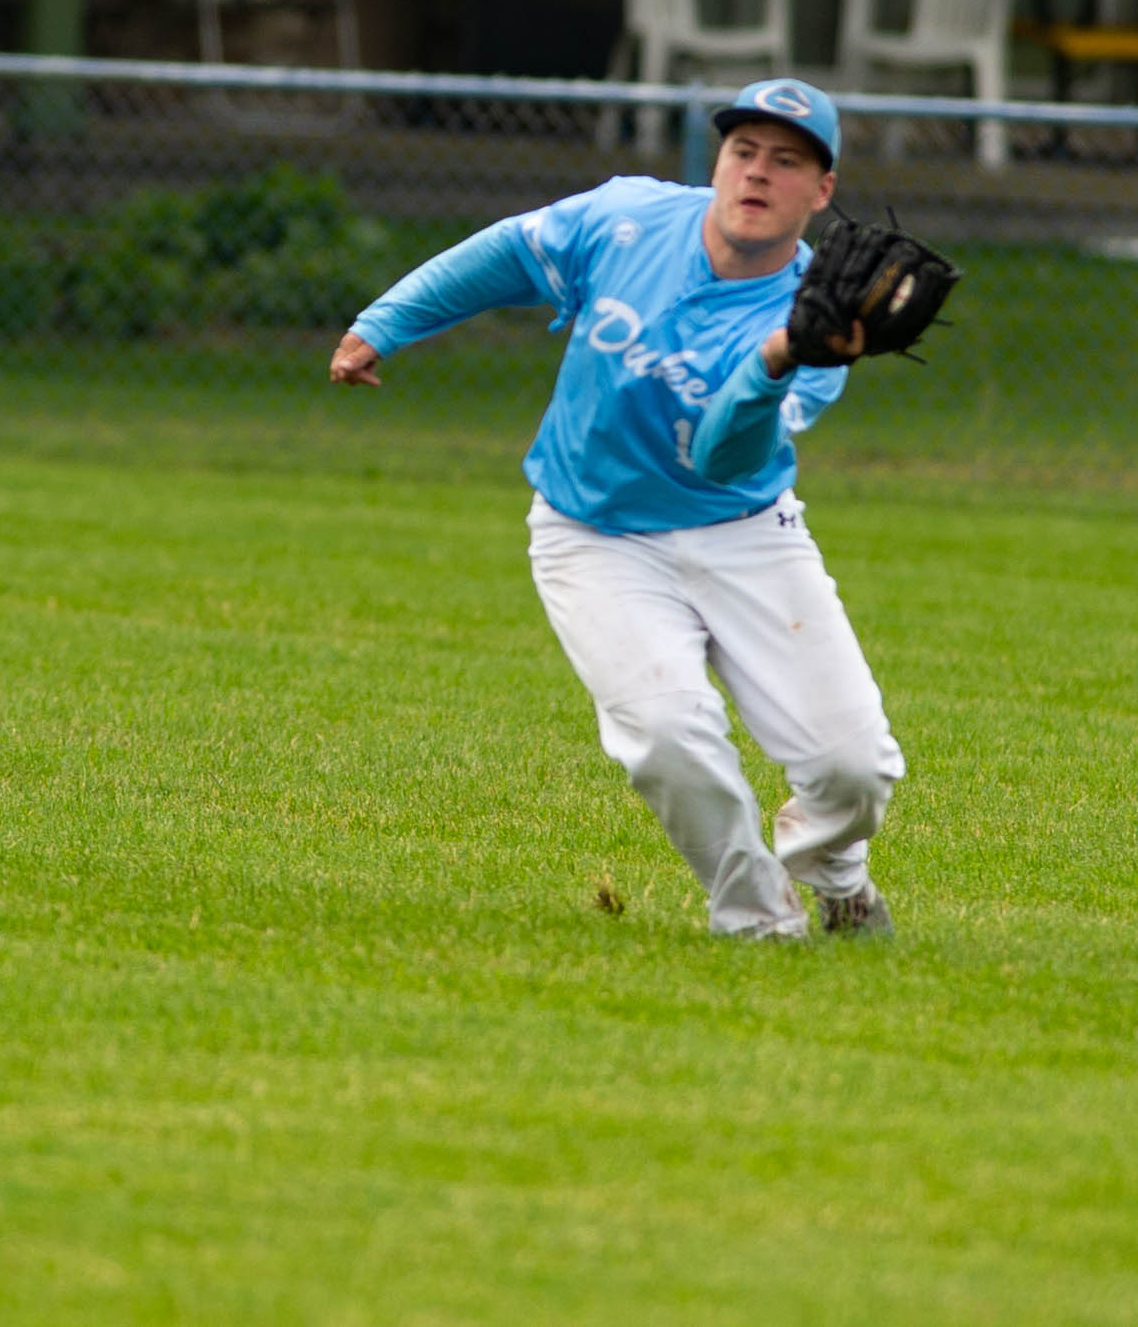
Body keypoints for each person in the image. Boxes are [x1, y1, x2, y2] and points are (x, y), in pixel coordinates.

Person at [329, 79, 902, 941]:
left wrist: (778, 357)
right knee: (669, 734)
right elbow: (507, 253)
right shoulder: (628, 218)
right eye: (743, 151)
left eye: (786, 161)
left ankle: (833, 868)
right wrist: (388, 321)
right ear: (717, 163)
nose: (756, 173)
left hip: (742, 529)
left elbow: (718, 455)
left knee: (853, 768)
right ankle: (757, 922)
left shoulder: (818, 324)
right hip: (593, 533)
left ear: (821, 192)